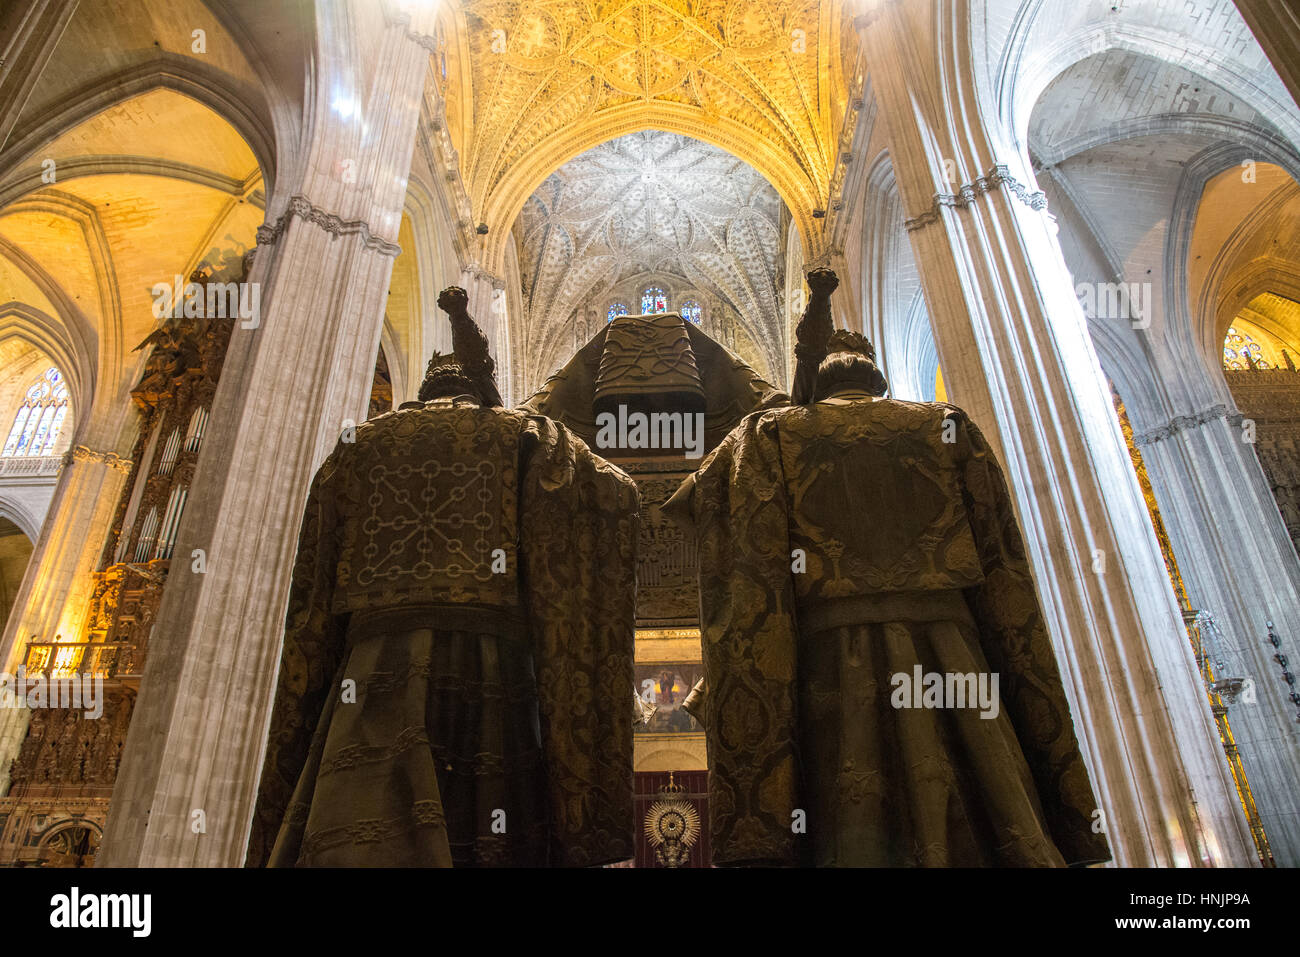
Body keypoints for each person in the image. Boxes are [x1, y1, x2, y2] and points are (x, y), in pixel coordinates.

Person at [665, 268, 1110, 867]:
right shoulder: (947, 427)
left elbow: (696, 506)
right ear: (879, 376)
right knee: (985, 798)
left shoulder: (771, 434)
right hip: (952, 649)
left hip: (832, 659)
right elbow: (1004, 565)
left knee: (849, 808)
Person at [248, 287, 640, 867]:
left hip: (369, 669)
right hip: (488, 668)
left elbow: (308, 605)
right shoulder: (526, 437)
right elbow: (616, 492)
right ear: (481, 388)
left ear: (425, 389)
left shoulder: (354, 450)